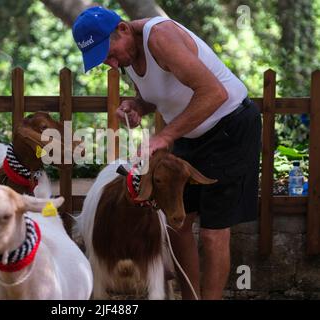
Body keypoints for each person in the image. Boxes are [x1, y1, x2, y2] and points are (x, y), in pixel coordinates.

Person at [72, 6, 262, 300]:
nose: (111, 64)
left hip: (230, 129)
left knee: (213, 233)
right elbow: (156, 96)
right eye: (103, 61)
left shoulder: (160, 37)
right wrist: (137, 106)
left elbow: (214, 94)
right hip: (190, 131)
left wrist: (165, 136)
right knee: (177, 224)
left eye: (109, 55)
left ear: (122, 29)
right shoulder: (128, 54)